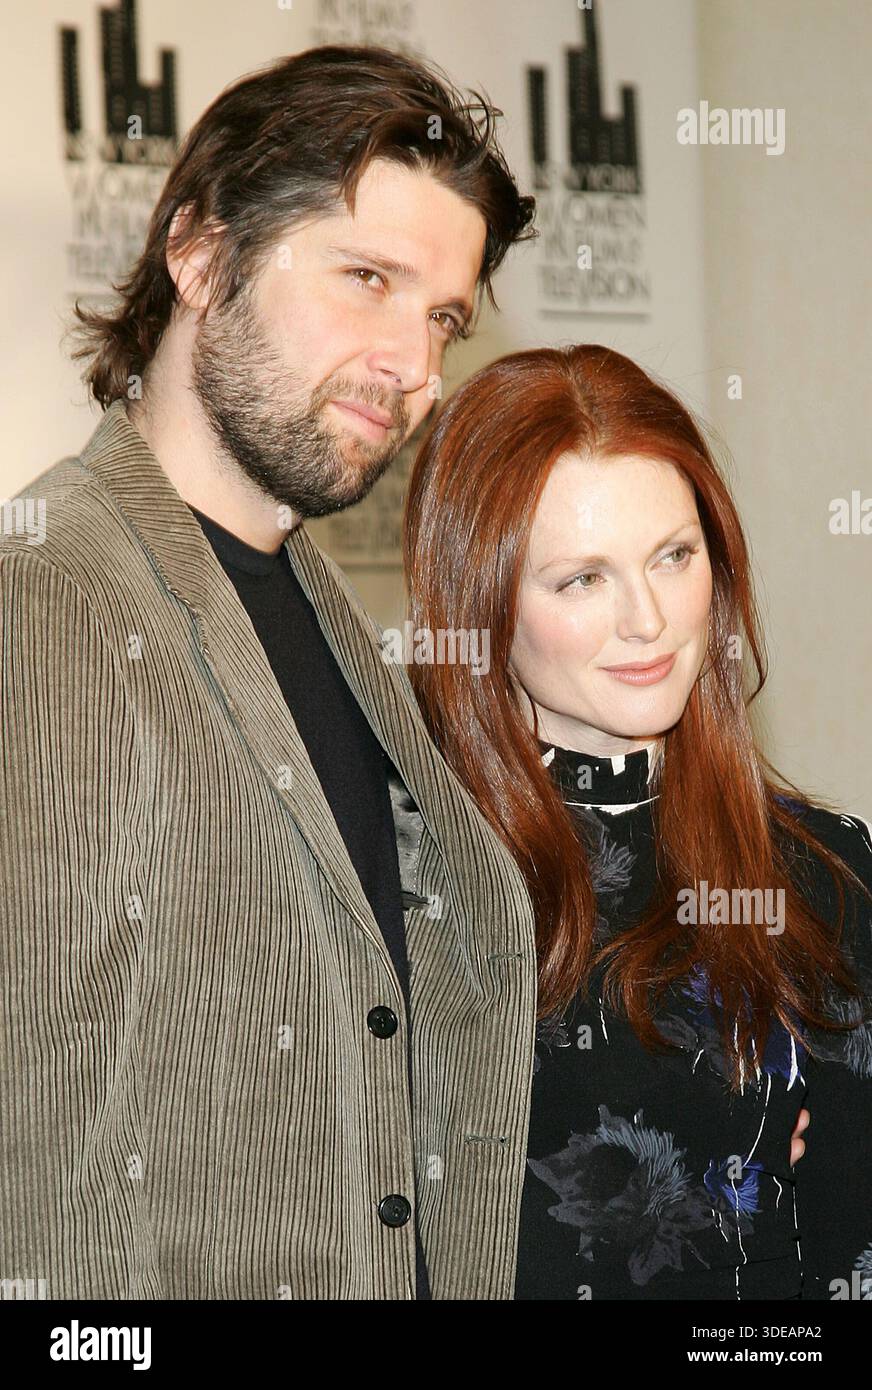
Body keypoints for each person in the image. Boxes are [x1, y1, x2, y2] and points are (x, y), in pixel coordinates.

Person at [0, 43, 543, 1301]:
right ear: (199, 254)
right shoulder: (44, 598)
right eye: (366, 279)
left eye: (442, 318)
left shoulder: (333, 622)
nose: (414, 368)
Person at [401, 343, 871, 1300]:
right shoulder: (391, 870)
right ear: (479, 601)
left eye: (674, 556)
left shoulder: (827, 873)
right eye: (581, 579)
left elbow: (846, 1252)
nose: (649, 620)